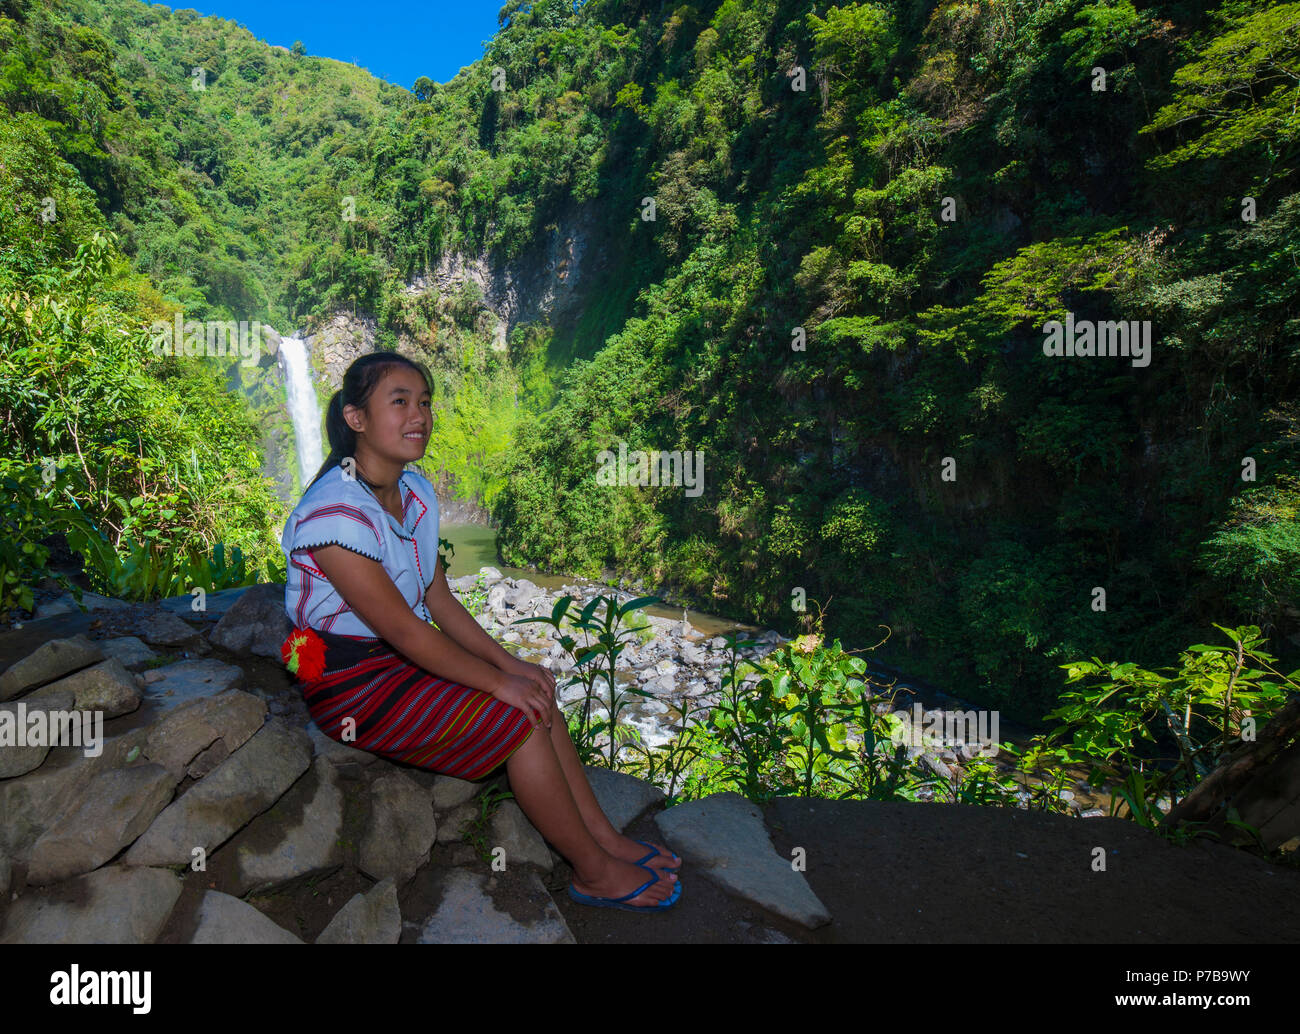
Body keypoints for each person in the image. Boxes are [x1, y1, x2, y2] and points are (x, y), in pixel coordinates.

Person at [280, 351, 682, 912]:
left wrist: (514, 667)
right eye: (399, 402)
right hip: (351, 682)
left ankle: (608, 840)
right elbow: (406, 632)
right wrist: (499, 686)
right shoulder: (332, 516)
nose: (418, 414)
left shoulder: (414, 491)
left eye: (424, 403)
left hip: (400, 657)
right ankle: (593, 873)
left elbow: (436, 597)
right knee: (518, 717)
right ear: (356, 419)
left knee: (537, 691)